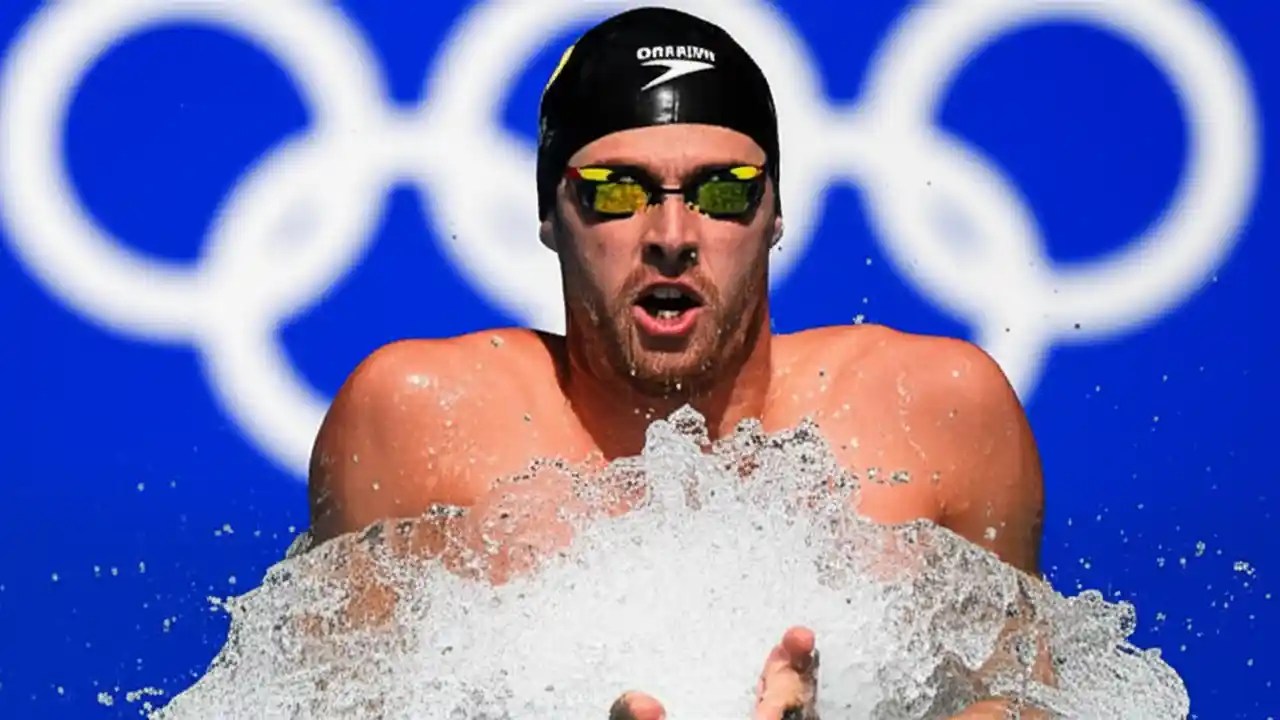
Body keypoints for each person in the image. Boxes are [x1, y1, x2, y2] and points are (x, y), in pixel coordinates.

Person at [304, 7, 1045, 719]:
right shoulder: (415, 421)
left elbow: (1036, 701)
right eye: (614, 191)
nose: (671, 233)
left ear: (775, 214)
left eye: (722, 191)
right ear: (547, 216)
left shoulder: (938, 413)